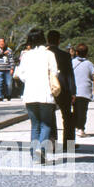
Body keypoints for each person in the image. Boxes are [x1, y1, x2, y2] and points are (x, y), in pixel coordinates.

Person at [14, 29, 59, 164]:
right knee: (46, 124)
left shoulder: (26, 55)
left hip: (30, 93)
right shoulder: (49, 54)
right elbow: (55, 72)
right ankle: (41, 149)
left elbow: (21, 74)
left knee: (35, 125)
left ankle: (35, 155)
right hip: (45, 93)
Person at [47, 30, 77, 147]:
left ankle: (52, 143)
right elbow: (70, 75)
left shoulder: (45, 54)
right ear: (59, 41)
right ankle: (69, 144)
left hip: (49, 88)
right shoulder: (65, 55)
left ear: (48, 40)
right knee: (67, 117)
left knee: (50, 117)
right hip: (64, 88)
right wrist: (73, 92)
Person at [70, 44, 94, 137]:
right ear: (87, 53)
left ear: (76, 52)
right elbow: (93, 75)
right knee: (83, 111)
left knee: (75, 110)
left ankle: (75, 127)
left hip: (74, 91)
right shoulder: (89, 64)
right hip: (85, 91)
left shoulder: (72, 62)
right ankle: (80, 128)